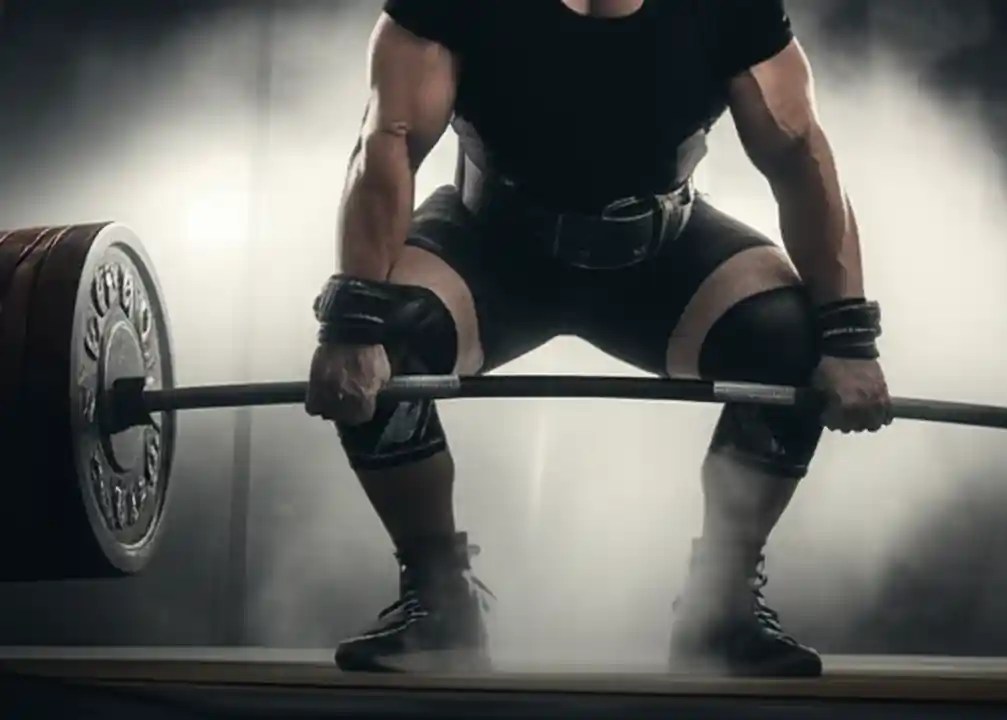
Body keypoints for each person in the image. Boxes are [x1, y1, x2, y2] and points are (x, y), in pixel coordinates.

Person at [304, 0, 892, 678]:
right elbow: (392, 138)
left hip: (661, 258)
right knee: (388, 333)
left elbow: (798, 151)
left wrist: (849, 334)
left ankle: (721, 607)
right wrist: (351, 323)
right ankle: (439, 600)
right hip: (492, 247)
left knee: (789, 339)